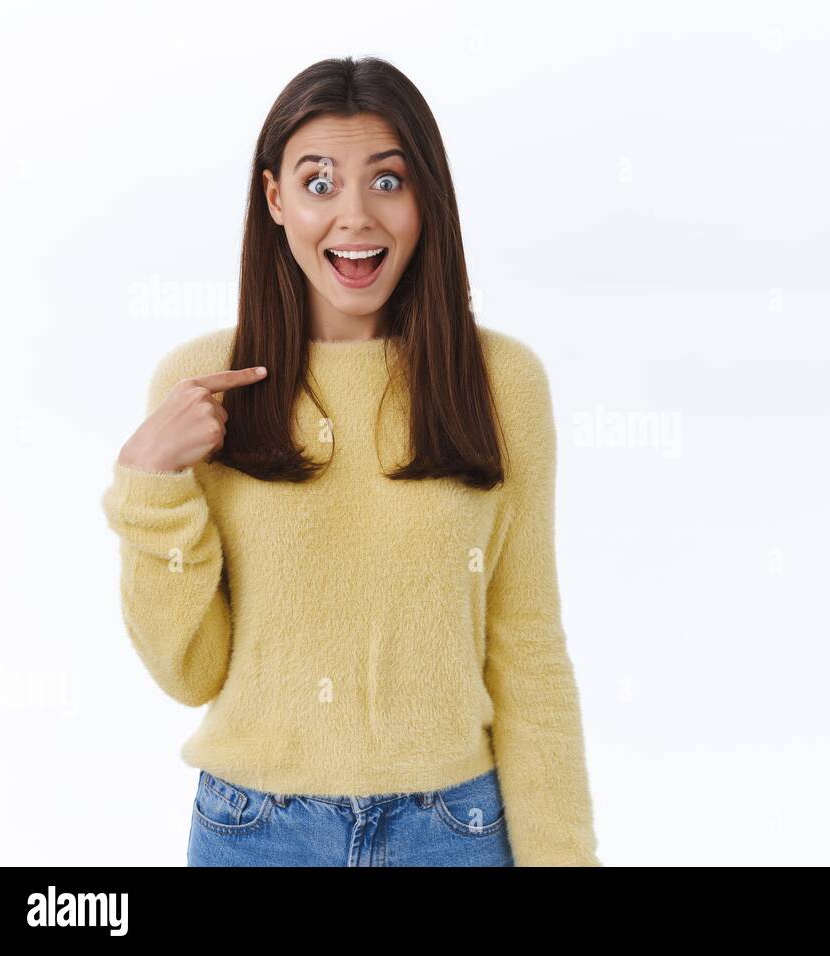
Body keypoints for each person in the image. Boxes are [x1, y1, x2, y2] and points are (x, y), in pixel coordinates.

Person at [100, 56, 600, 867]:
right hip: (255, 833)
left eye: (389, 181)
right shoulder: (200, 388)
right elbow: (189, 672)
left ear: (426, 197)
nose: (356, 217)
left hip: (455, 832)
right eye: (320, 183)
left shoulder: (502, 384)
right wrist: (151, 488)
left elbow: (528, 650)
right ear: (275, 200)